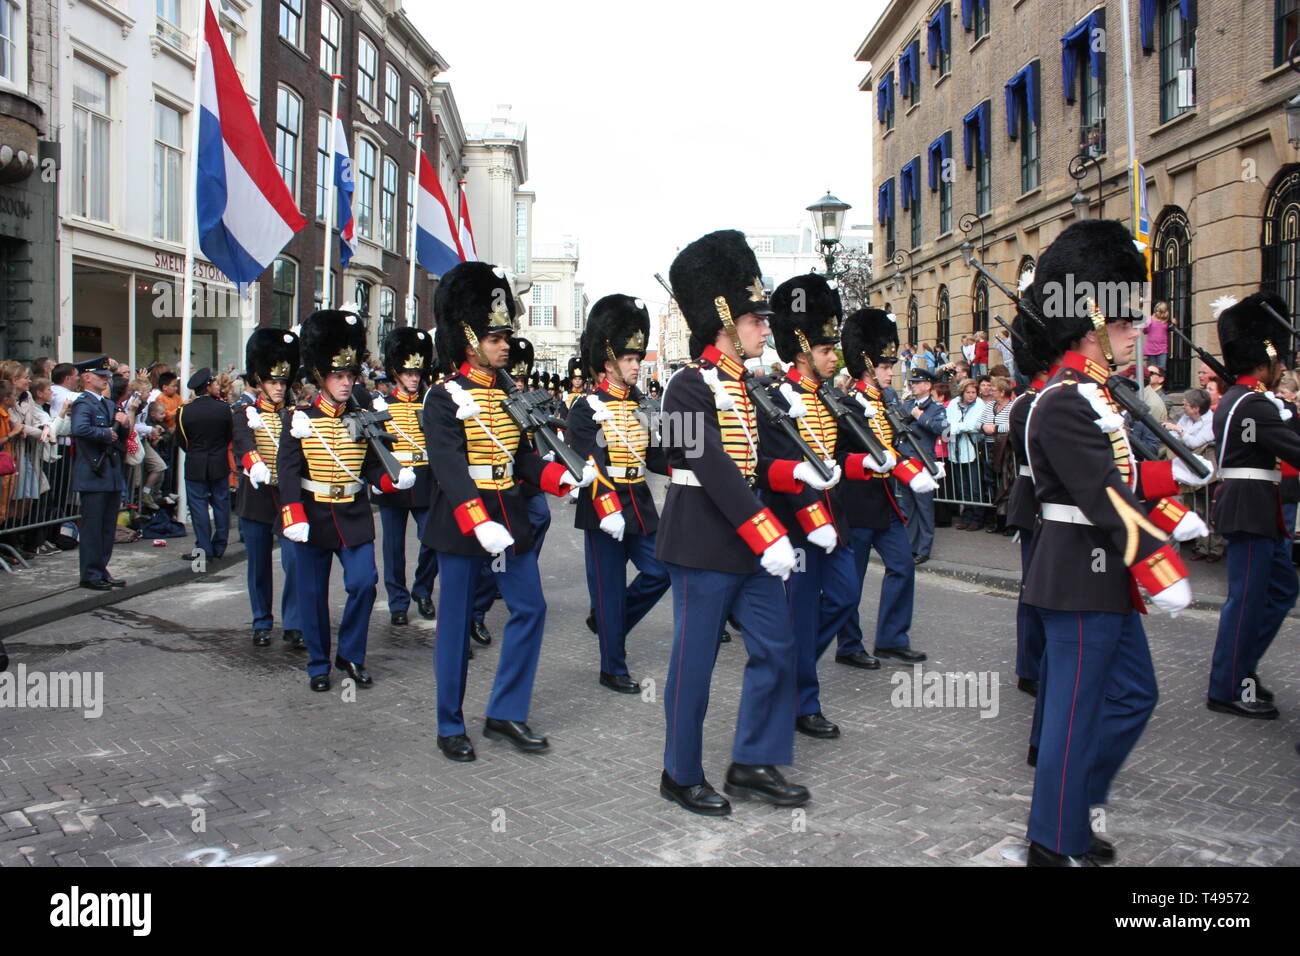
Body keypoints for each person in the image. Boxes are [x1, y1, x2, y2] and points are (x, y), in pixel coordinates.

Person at [1020, 220, 1209, 866]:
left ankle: (1073, 808)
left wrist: (1173, 481)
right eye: (1127, 323)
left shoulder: (1097, 395)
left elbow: (1122, 474)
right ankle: (1053, 839)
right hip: (1076, 576)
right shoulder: (1065, 401)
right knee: (1072, 720)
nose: (1137, 333)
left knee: (1133, 695)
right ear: (1092, 321)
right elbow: (1102, 494)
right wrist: (1160, 561)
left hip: (1102, 578)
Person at [656, 230, 831, 815]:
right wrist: (767, 530)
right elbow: (704, 462)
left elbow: (756, 463)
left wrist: (797, 477)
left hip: (751, 545)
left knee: (778, 648)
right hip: (702, 541)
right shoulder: (685, 386)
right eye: (757, 319)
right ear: (725, 321)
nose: (765, 328)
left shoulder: (748, 387)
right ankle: (679, 772)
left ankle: (753, 760)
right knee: (695, 663)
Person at [423, 262, 595, 762]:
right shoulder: (444, 396)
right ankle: (449, 722)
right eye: (496, 337)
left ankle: (505, 711)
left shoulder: (506, 393)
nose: (505, 345)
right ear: (469, 337)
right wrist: (479, 522)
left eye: (506, 335)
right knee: (455, 623)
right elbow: (450, 468)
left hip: (509, 514)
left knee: (530, 609)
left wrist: (557, 477)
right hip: (464, 524)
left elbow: (519, 457)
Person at [279, 309, 397, 692]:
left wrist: (393, 480)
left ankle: (350, 654)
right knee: (312, 595)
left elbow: (373, 468)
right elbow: (288, 472)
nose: (347, 383)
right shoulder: (300, 419)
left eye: (350, 376)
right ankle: (317, 662)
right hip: (312, 515)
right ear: (320, 377)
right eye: (338, 376)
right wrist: (292, 514)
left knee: (364, 583)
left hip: (354, 512)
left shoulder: (365, 418)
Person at [759, 274, 854, 739]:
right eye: (825, 349)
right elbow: (773, 465)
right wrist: (814, 519)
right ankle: (803, 700)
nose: (834, 356)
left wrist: (892, 464)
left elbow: (848, 454)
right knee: (800, 612)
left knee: (844, 596)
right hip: (799, 526)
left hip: (835, 517)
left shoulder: (832, 397)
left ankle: (789, 667)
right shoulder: (778, 399)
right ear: (801, 351)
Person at [565, 295, 670, 694]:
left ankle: (610, 623)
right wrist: (608, 508)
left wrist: (694, 463)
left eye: (636, 358)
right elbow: (588, 462)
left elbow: (659, 455)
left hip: (639, 504)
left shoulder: (643, 404)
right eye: (628, 359)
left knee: (661, 571)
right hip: (602, 508)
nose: (635, 365)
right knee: (607, 588)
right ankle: (613, 665)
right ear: (608, 363)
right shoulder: (585, 407)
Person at [1206, 292, 1300, 720]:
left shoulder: (1242, 399)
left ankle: (1242, 668)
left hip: (1258, 506)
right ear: (1266, 357)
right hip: (1252, 507)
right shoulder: (1254, 404)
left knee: (1281, 589)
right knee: (1246, 601)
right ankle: (1228, 685)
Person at [834, 307, 937, 669]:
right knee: (852, 580)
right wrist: (866, 464)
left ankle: (892, 638)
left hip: (884, 500)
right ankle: (849, 644)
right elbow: (839, 456)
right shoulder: (848, 404)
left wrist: (914, 471)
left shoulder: (884, 403)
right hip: (856, 501)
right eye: (884, 366)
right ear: (866, 365)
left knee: (903, 565)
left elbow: (892, 451)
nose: (891, 372)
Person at [470, 335, 555, 645]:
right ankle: (476, 611)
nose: (517, 381)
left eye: (521, 376)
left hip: (522, 481)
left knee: (540, 518)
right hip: (494, 485)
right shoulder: (479, 397)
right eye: (514, 376)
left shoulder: (521, 397)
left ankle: (509, 574)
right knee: (488, 556)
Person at [231, 328, 303, 649]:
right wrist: (253, 461)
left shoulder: (295, 415)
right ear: (259, 382)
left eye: (282, 382)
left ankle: (294, 622)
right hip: (257, 497)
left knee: (295, 562)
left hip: (287, 498)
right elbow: (242, 441)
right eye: (273, 382)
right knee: (259, 565)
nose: (278, 387)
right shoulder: (245, 412)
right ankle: (261, 620)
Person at [1005, 311, 1061, 699]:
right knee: (1033, 587)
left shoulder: (1053, 397)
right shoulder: (1029, 403)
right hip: (1036, 499)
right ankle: (1030, 666)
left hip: (1051, 501)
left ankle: (1046, 661)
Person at [371, 327, 439, 627]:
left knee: (433, 540)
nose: (414, 378)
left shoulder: (429, 405)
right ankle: (397, 600)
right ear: (396, 374)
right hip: (395, 480)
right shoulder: (381, 407)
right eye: (408, 373)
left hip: (425, 479)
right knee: (393, 547)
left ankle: (422, 589)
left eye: (417, 373)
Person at [70, 357, 130, 591]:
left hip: (110, 472)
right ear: (86, 377)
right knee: (93, 528)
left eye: (106, 376)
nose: (105, 379)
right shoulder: (83, 403)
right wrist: (107, 433)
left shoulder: (106, 403)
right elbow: (80, 429)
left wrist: (123, 424)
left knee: (106, 528)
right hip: (94, 472)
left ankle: (101, 569)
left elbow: (120, 436)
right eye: (100, 376)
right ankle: (90, 573)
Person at [176, 368, 233, 564]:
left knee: (199, 507)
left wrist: (196, 452)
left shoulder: (184, 411)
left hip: (196, 462)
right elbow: (228, 436)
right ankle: (220, 545)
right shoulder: (224, 408)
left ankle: (203, 548)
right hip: (218, 461)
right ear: (208, 386)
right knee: (221, 504)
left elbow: (182, 440)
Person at [897, 367, 947, 563]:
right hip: (906, 461)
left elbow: (944, 431)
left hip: (922, 462)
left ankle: (924, 549)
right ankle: (911, 546)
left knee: (924, 508)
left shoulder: (936, 408)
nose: (913, 385)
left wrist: (921, 417)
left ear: (927, 386)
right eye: (913, 382)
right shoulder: (907, 404)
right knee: (908, 506)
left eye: (917, 383)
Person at [946, 378, 987, 529]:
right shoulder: (953, 403)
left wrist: (956, 427)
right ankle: (967, 516)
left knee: (974, 485)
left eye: (974, 392)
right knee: (962, 486)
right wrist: (958, 427)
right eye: (968, 392)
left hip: (971, 447)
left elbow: (974, 425)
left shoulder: (979, 404)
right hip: (956, 449)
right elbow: (947, 422)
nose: (971, 395)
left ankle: (977, 518)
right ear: (962, 393)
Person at [980, 376, 1016, 534]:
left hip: (1007, 451)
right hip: (989, 448)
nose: (990, 392)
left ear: (1002, 392)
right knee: (992, 484)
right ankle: (998, 521)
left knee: (1007, 485)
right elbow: (979, 423)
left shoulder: (1013, 406)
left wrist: (994, 428)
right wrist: (984, 427)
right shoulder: (989, 406)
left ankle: (1009, 523)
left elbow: (1013, 425)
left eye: (993, 390)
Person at [1145, 301, 1170, 371]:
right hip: (1151, 348)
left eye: (1159, 310)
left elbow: (1170, 327)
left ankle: (1160, 381)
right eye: (1156, 310)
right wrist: (1148, 323)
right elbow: (1145, 330)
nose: (1157, 312)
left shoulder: (1166, 321)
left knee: (1162, 368)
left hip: (1162, 348)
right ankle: (1153, 381)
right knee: (1152, 369)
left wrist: (1174, 324)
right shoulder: (1151, 319)